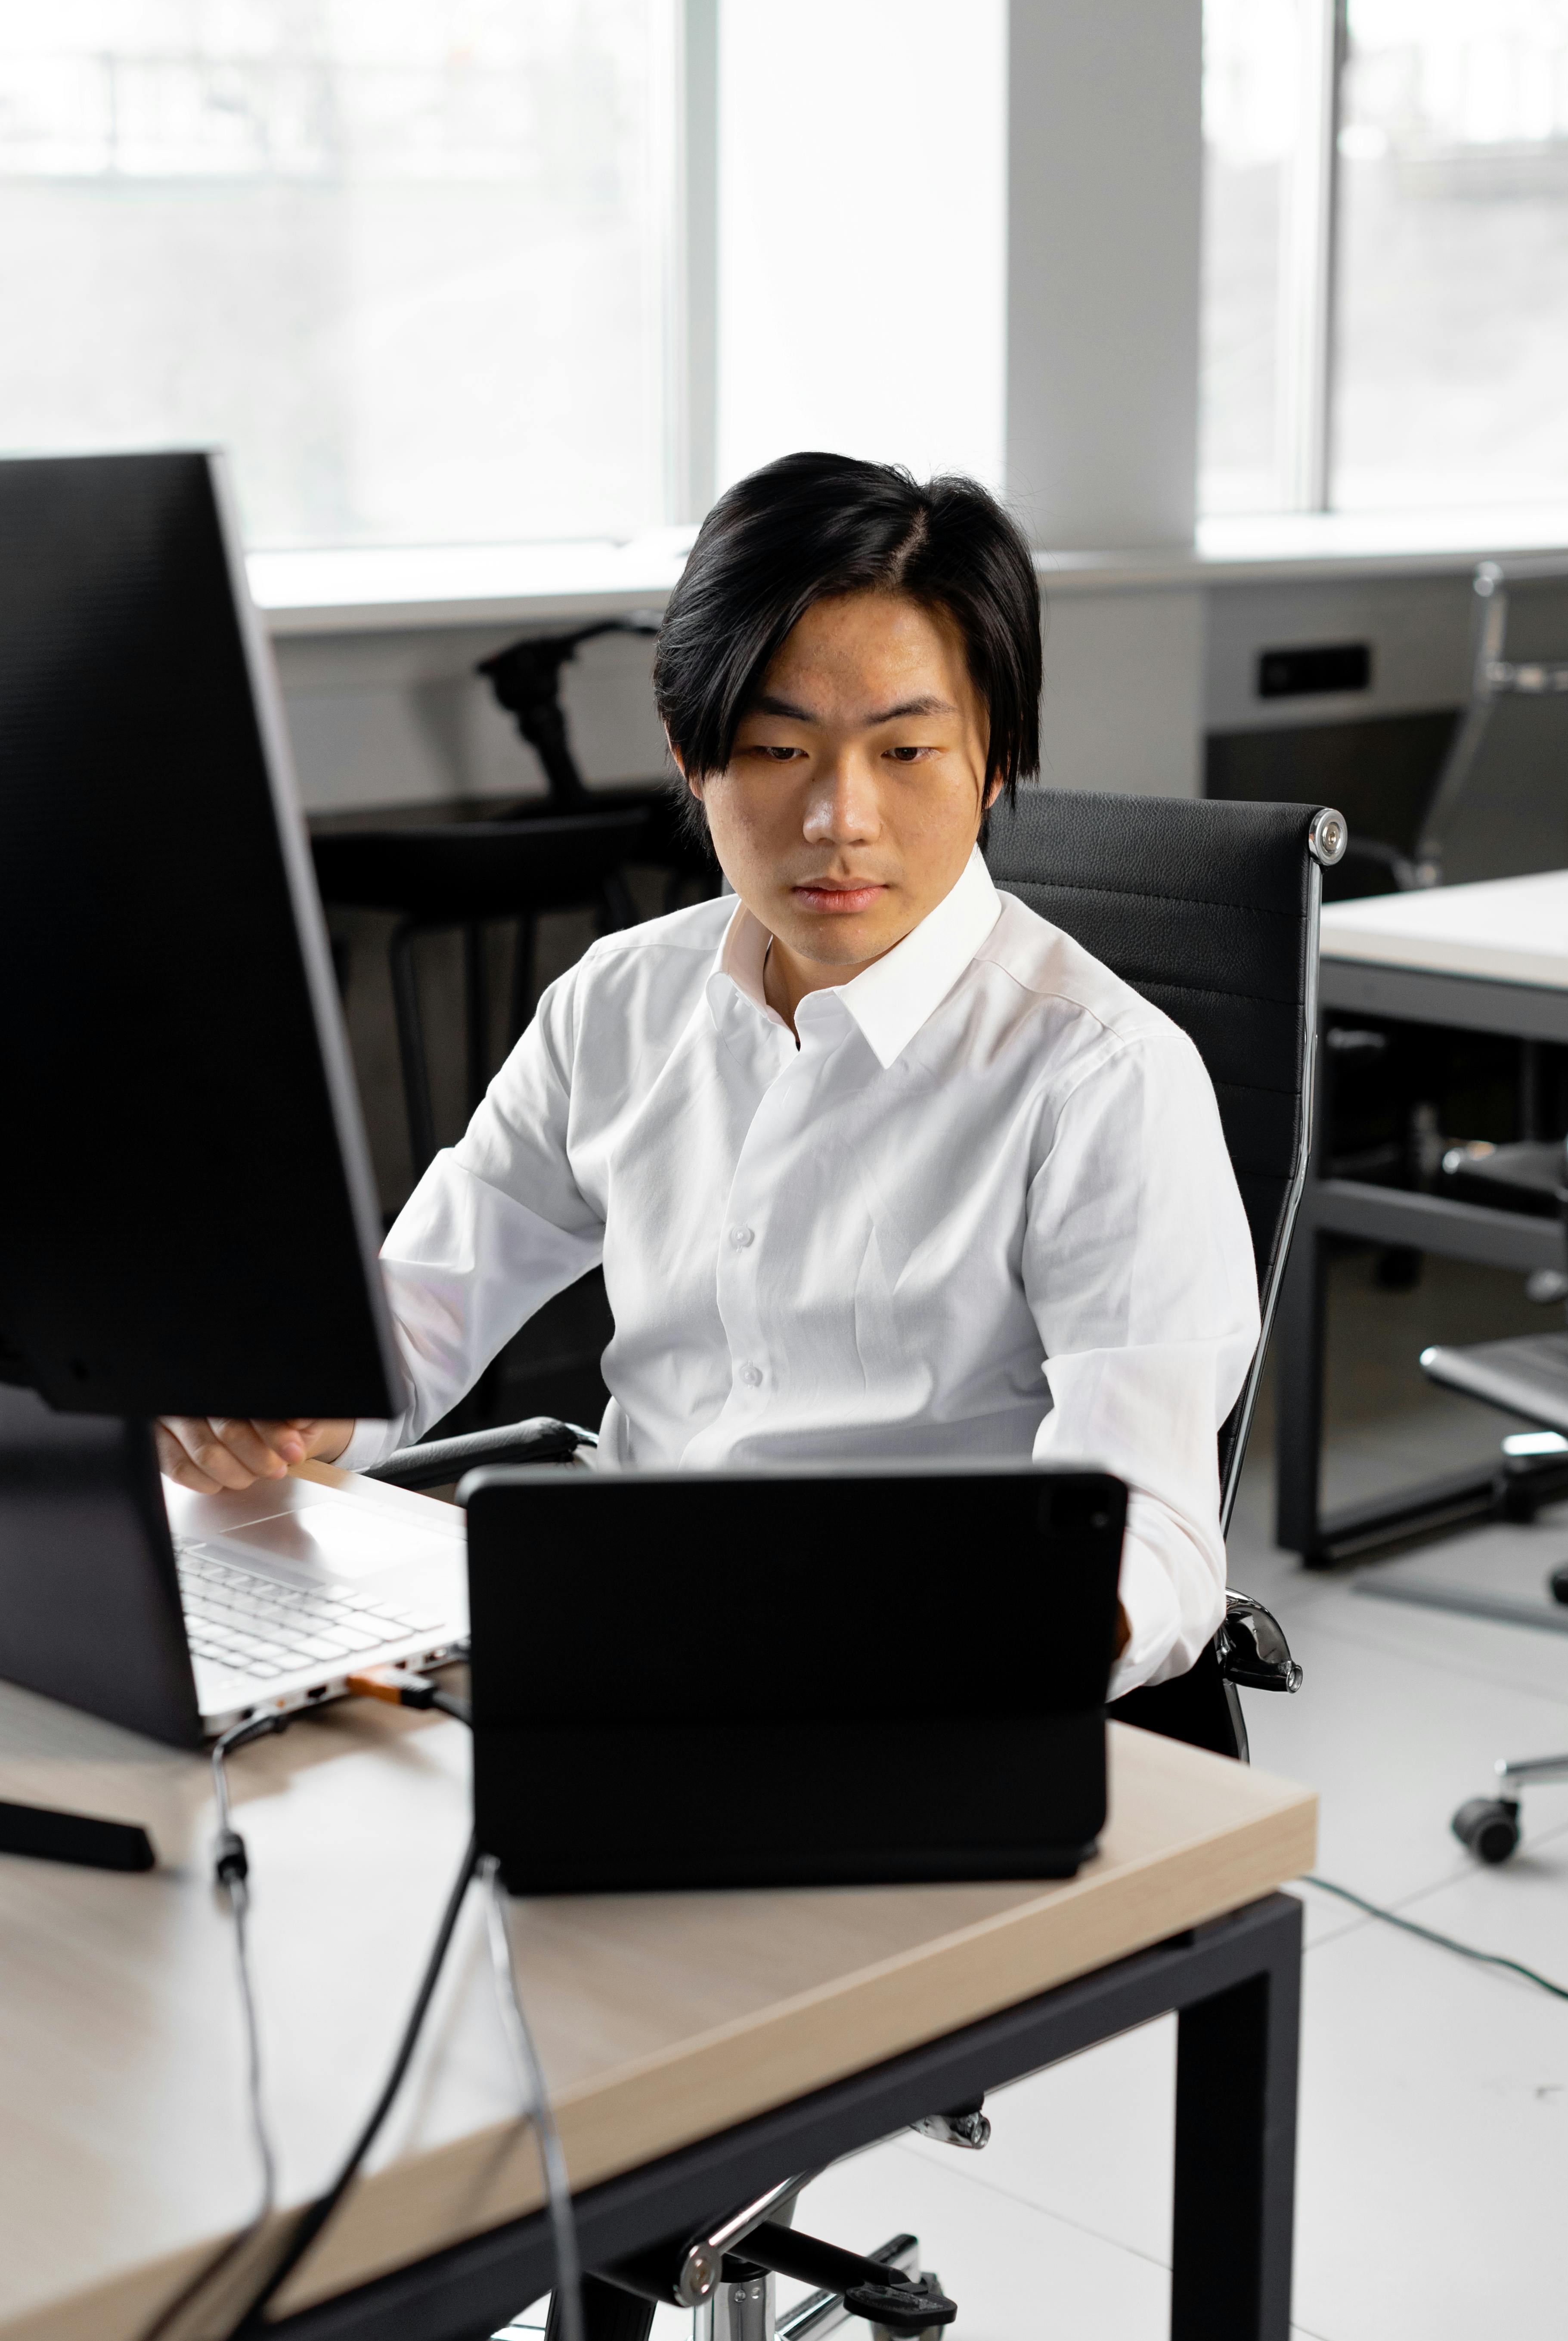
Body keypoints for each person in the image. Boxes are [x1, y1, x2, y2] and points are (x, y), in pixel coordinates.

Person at [158, 452, 1258, 1696]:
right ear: (691, 754)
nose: (840, 817)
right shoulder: (619, 1003)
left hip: (906, 1680)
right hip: (618, 1645)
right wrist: (286, 1401)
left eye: (905, 754)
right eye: (780, 747)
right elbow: (419, 1312)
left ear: (996, 760)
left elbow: (1156, 1536)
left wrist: (996, 1641)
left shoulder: (1105, 1082)